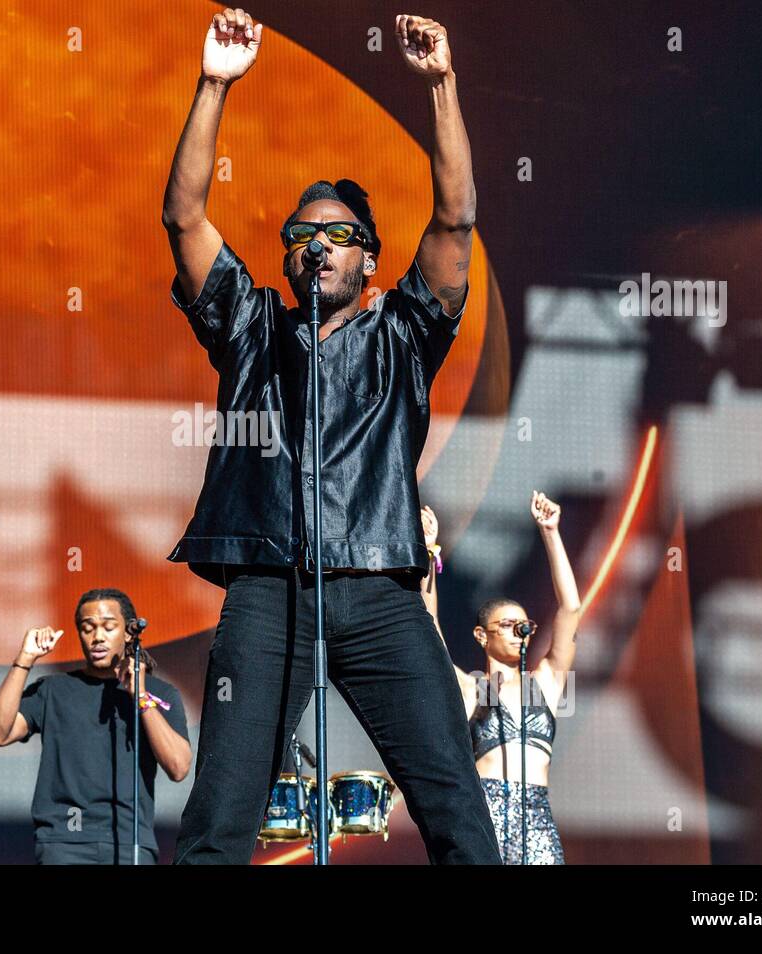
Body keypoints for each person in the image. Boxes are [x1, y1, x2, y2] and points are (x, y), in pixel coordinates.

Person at [162, 8, 499, 864]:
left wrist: (442, 86)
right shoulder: (250, 329)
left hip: (379, 591)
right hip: (269, 592)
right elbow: (184, 216)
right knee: (220, 817)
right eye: (303, 234)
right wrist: (214, 85)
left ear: (371, 261)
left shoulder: (403, 334)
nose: (319, 246)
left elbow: (455, 218)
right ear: (286, 258)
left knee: (457, 808)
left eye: (339, 234)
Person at [421, 492, 581, 864]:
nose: (517, 632)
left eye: (522, 625)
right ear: (482, 636)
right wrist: (431, 556)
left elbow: (571, 608)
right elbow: (430, 631)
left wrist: (551, 533)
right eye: (506, 625)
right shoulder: (470, 690)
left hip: (538, 825)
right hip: (485, 823)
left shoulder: (546, 683)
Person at [0, 588, 191, 865]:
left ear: (129, 632)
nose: (97, 637)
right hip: (64, 843)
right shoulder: (52, 690)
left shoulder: (157, 692)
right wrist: (25, 661)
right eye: (87, 628)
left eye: (108, 626)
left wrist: (140, 696)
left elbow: (178, 767)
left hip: (129, 843)